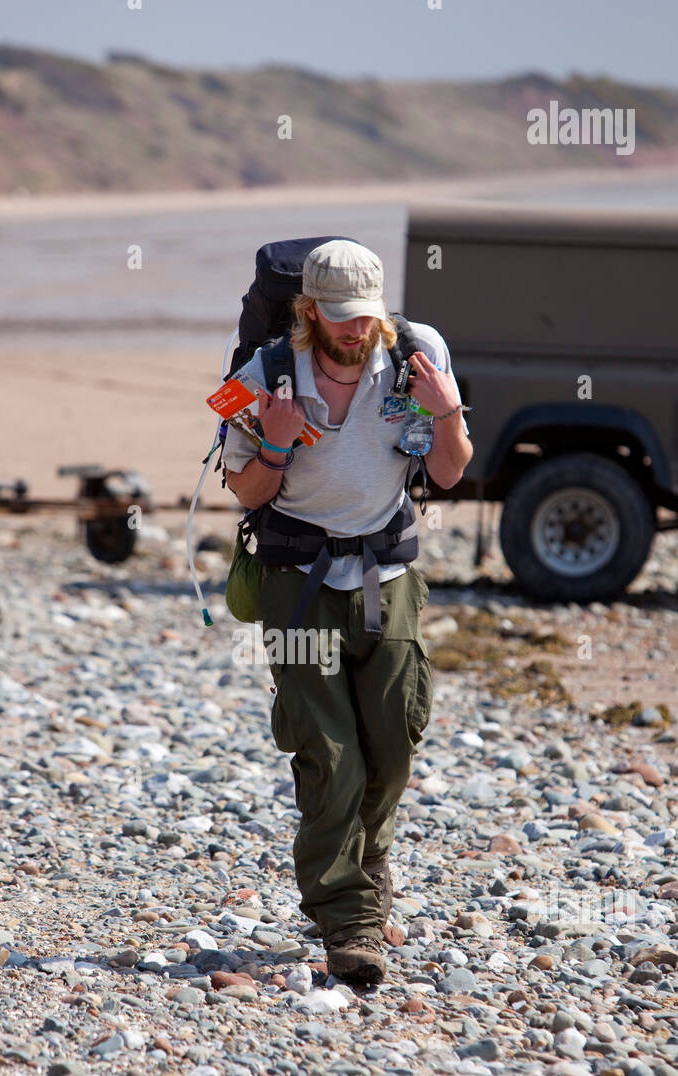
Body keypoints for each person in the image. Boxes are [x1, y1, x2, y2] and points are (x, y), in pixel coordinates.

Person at [223, 239, 472, 986]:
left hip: (386, 574)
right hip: (295, 583)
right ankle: (349, 924)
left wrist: (448, 411)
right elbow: (246, 494)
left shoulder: (419, 356)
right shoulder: (260, 374)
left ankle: (371, 858)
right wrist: (271, 441)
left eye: (364, 317)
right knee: (328, 754)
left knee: (393, 738)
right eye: (338, 319)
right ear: (308, 312)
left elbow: (450, 470)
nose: (354, 331)